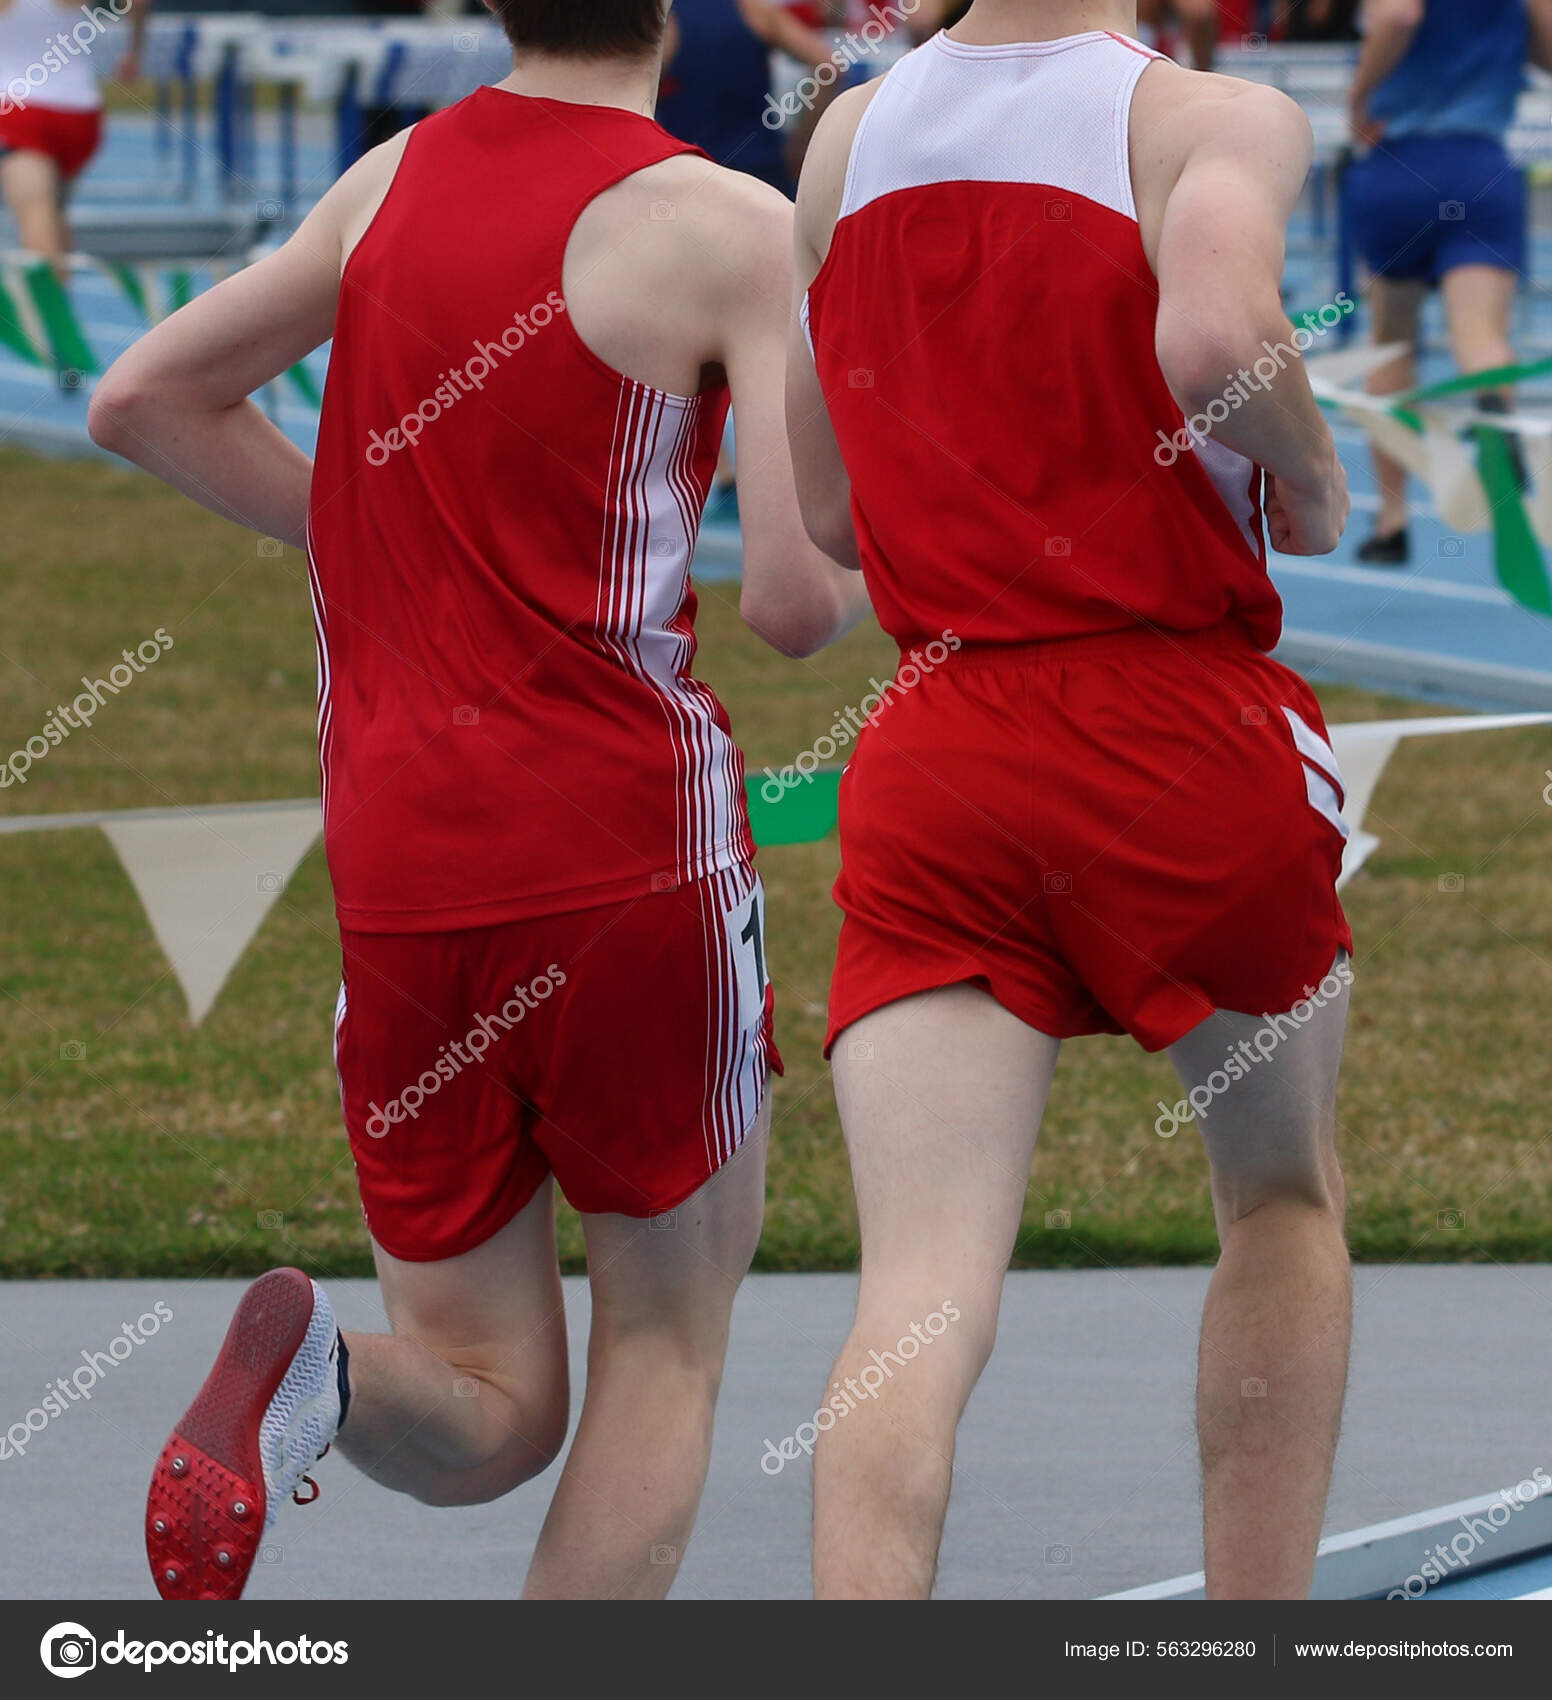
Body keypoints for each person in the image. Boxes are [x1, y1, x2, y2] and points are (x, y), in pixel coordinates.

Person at [89, 0, 864, 1601]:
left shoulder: (387, 183)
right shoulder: (730, 223)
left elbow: (137, 400)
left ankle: (324, 1372)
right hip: (627, 849)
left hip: (399, 865)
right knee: (666, 1352)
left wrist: (361, 533)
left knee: (493, 1405)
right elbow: (800, 604)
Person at [790, 0, 1352, 1598]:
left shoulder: (845, 141)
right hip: (1180, 726)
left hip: (942, 738)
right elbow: (1216, 340)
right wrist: (1311, 482)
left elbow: (825, 512)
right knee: (1281, 1201)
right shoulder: (1207, 121)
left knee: (918, 1291)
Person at [1346, 0, 1543, 565]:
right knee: (1482, 337)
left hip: (1400, 162)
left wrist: (1359, 96)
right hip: (1481, 165)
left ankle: (1392, 522)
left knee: (1391, 346)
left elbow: (1399, 16)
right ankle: (1493, 409)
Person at [0, 0, 149, 278]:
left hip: (19, 110)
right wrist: (135, 51)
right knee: (54, 215)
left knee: (36, 217)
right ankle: (60, 297)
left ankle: (47, 303)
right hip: (80, 110)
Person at [658, 0, 835, 196]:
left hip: (691, 173)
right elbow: (828, 66)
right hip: (760, 171)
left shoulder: (662, 18)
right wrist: (802, 141)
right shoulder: (752, 9)